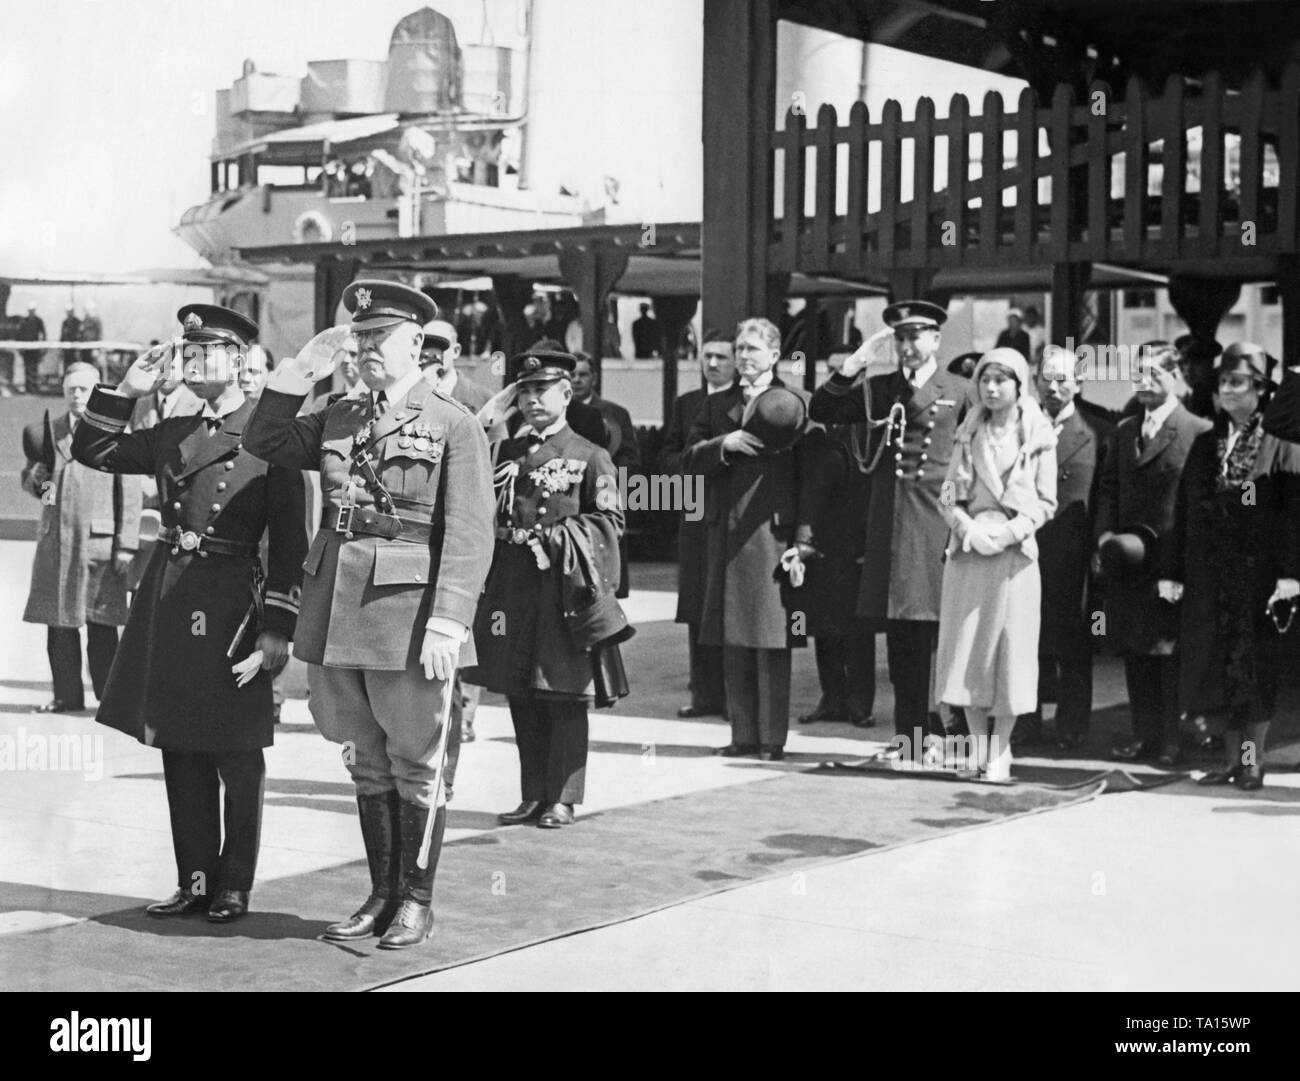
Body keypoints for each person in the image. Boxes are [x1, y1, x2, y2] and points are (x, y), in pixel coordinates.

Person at [242, 280, 495, 949]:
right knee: (367, 760)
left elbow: (470, 531)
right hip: (338, 607)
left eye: (378, 338)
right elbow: (265, 436)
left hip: (409, 615)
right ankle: (380, 893)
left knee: (417, 760)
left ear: (415, 341)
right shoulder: (339, 414)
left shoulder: (452, 423)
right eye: (358, 339)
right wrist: (301, 368)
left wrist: (450, 618)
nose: (365, 351)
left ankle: (416, 898)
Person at [71, 305, 307, 923]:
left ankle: (234, 884)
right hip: (174, 600)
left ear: (241, 362)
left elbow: (288, 541)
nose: (195, 361)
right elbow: (92, 448)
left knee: (236, 753)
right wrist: (127, 388)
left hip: (234, 606)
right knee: (179, 748)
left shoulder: (267, 434)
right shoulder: (174, 429)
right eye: (189, 352)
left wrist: (278, 626)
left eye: (210, 352)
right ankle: (195, 881)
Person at [468, 344, 631, 828]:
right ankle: (532, 793)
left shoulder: (590, 455)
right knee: (522, 692)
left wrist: (558, 538)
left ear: (566, 393)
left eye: (543, 390)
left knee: (564, 695)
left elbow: (610, 522)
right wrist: (489, 416)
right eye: (525, 391)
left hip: (563, 593)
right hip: (514, 589)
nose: (533, 400)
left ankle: (562, 796)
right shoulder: (506, 451)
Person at [809, 300, 969, 754]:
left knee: (945, 638)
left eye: (917, 336)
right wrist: (856, 364)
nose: (907, 345)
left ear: (936, 339)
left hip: (938, 526)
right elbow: (823, 409)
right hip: (893, 529)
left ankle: (953, 735)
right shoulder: (879, 388)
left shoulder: (959, 388)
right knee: (903, 643)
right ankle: (911, 736)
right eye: (900, 337)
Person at [1160, 349, 1300, 791]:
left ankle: (1251, 762)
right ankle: (1230, 761)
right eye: (1222, 383)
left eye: (1238, 383)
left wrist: (1290, 574)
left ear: (1261, 389)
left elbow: (1293, 513)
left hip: (1259, 573)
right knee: (1217, 668)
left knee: (1254, 669)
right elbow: (1183, 509)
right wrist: (1175, 570)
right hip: (1211, 571)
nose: (1226, 391)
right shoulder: (1207, 440)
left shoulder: (1282, 442)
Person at [684, 317, 811, 761]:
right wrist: (725, 444)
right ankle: (742, 735)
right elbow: (686, 459)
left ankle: (771, 739)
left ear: (775, 355)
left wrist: (804, 539)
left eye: (753, 349)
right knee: (734, 638)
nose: (742, 357)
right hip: (728, 534)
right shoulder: (717, 406)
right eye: (739, 348)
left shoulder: (795, 403)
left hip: (773, 534)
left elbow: (809, 478)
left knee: (771, 641)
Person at [935, 349, 1057, 781]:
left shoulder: (1039, 435)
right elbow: (947, 493)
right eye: (986, 380)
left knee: (1010, 655)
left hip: (1015, 560)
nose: (991, 388)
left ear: (1020, 386)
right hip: (968, 558)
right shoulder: (968, 432)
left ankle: (1000, 751)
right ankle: (976, 747)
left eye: (1002, 380)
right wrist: (966, 528)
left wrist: (1009, 533)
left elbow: (1046, 502)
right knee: (967, 653)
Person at [1095, 342, 1212, 767]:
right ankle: (1142, 736)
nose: (1144, 383)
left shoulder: (1197, 430)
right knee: (1134, 650)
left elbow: (1199, 507)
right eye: (1138, 375)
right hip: (1128, 560)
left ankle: (1172, 740)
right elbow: (1108, 489)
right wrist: (1105, 536)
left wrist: (1179, 569)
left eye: (1154, 374)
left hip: (1170, 564)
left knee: (1168, 656)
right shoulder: (1124, 431)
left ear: (1175, 375)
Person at [22, 363, 141, 712]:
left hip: (99, 545)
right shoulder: (50, 433)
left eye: (84, 389)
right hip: (57, 545)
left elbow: (130, 492)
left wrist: (126, 544)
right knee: (59, 627)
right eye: (70, 388)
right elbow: (47, 497)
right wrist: (39, 480)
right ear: (62, 391)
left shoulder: (114, 431)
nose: (76, 395)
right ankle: (66, 697)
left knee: (102, 626)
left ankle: (111, 700)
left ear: (96, 392)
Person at [1014, 346, 1113, 750]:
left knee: (1074, 641)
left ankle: (1072, 726)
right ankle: (1026, 721)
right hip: (1025, 550)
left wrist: (1100, 544)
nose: (1053, 388)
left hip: (1074, 553)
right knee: (1025, 640)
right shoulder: (1018, 424)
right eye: (1046, 379)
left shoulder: (1100, 430)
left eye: (1062, 380)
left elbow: (1107, 494)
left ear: (1079, 383)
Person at [419, 316, 491, 755]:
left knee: (462, 634)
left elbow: (492, 475)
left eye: (439, 346)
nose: (430, 353)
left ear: (455, 351)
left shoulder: (479, 402)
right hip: (420, 547)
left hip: (466, 540)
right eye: (423, 344)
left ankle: (463, 717)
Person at [658, 330, 736, 718]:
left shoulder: (745, 402)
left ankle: (734, 696)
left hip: (734, 512)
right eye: (708, 356)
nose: (714, 363)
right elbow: (669, 457)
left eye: (722, 356)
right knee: (697, 603)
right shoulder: (687, 403)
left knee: (730, 603)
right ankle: (705, 693)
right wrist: (697, 462)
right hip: (695, 511)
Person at [784, 422, 876, 728]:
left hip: (854, 543)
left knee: (855, 631)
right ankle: (834, 699)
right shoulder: (817, 443)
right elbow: (808, 494)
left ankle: (858, 703)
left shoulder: (867, 440)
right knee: (825, 628)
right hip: (823, 544)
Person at [572, 351, 638, 597]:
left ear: (594, 378)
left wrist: (604, 478)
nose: (577, 380)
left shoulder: (614, 413)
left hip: (602, 496)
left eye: (583, 374)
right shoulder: (558, 412)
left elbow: (631, 457)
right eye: (572, 375)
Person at [16, 302, 46, 393]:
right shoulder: (23, 321)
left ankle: (34, 388)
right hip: (26, 350)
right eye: (30, 310)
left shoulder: (39, 321)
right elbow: (19, 335)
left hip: (35, 349)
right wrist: (20, 347)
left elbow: (43, 334)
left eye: (32, 310)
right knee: (27, 368)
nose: (31, 312)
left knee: (34, 368)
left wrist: (43, 347)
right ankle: (28, 387)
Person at [80, 302, 103, 369]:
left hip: (93, 349)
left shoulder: (96, 320)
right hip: (85, 349)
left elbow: (99, 335)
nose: (86, 312)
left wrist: (96, 349)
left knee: (93, 368)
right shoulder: (84, 320)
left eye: (87, 310)